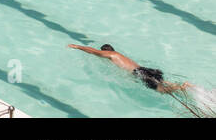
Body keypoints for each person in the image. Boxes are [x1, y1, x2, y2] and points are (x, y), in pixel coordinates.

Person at [67, 44, 196, 95]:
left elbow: (92, 51)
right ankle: (182, 86)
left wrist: (77, 46)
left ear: (105, 51)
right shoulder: (119, 55)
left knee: (162, 90)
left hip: (139, 73)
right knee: (163, 83)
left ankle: (182, 87)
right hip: (144, 69)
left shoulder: (111, 55)